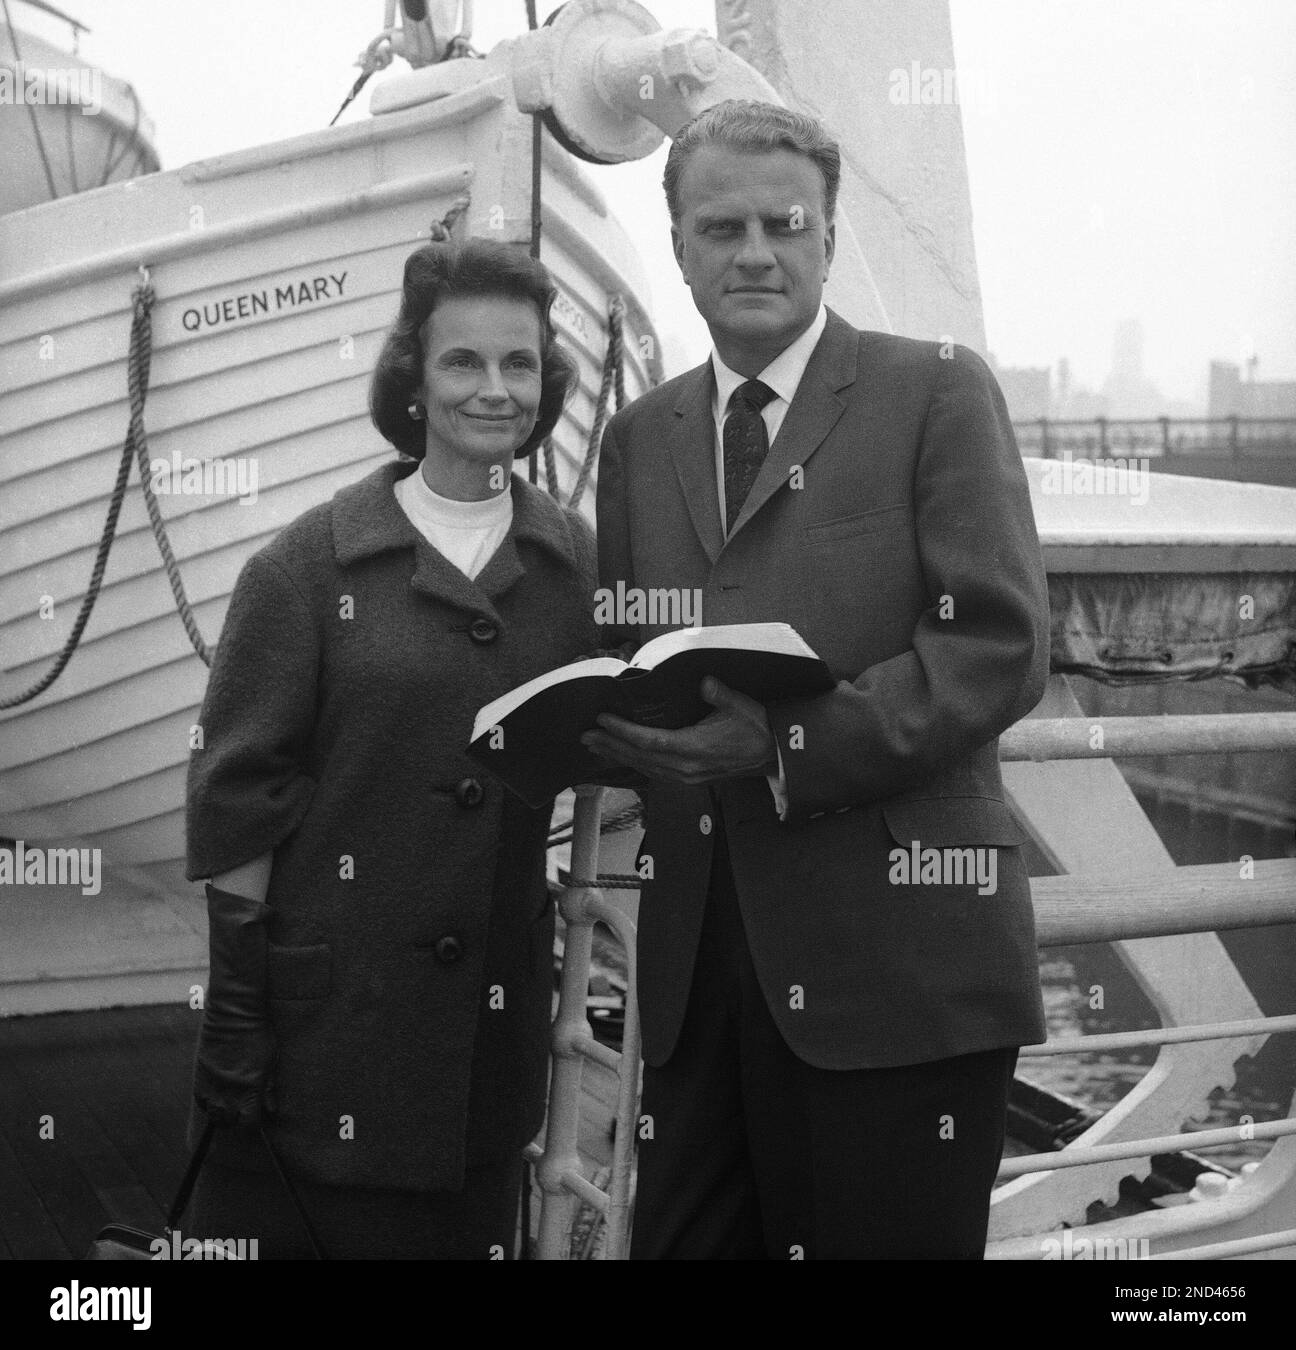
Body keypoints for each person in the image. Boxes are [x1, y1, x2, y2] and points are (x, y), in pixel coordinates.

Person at [585, 100, 1051, 1260]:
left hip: (901, 972)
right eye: (722, 226)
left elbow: (997, 645)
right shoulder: (639, 439)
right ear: (681, 250)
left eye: (786, 223)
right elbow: (629, 649)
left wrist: (789, 747)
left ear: (829, 237)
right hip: (698, 986)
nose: (756, 251)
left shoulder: (935, 391)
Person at [184, 236, 594, 1259]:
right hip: (328, 1040)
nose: (493, 389)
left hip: (482, 1051)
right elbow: (240, 799)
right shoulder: (305, 568)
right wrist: (236, 1014)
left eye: (520, 364)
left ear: (548, 384)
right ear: (414, 378)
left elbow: (620, 724)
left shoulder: (578, 566)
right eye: (463, 362)